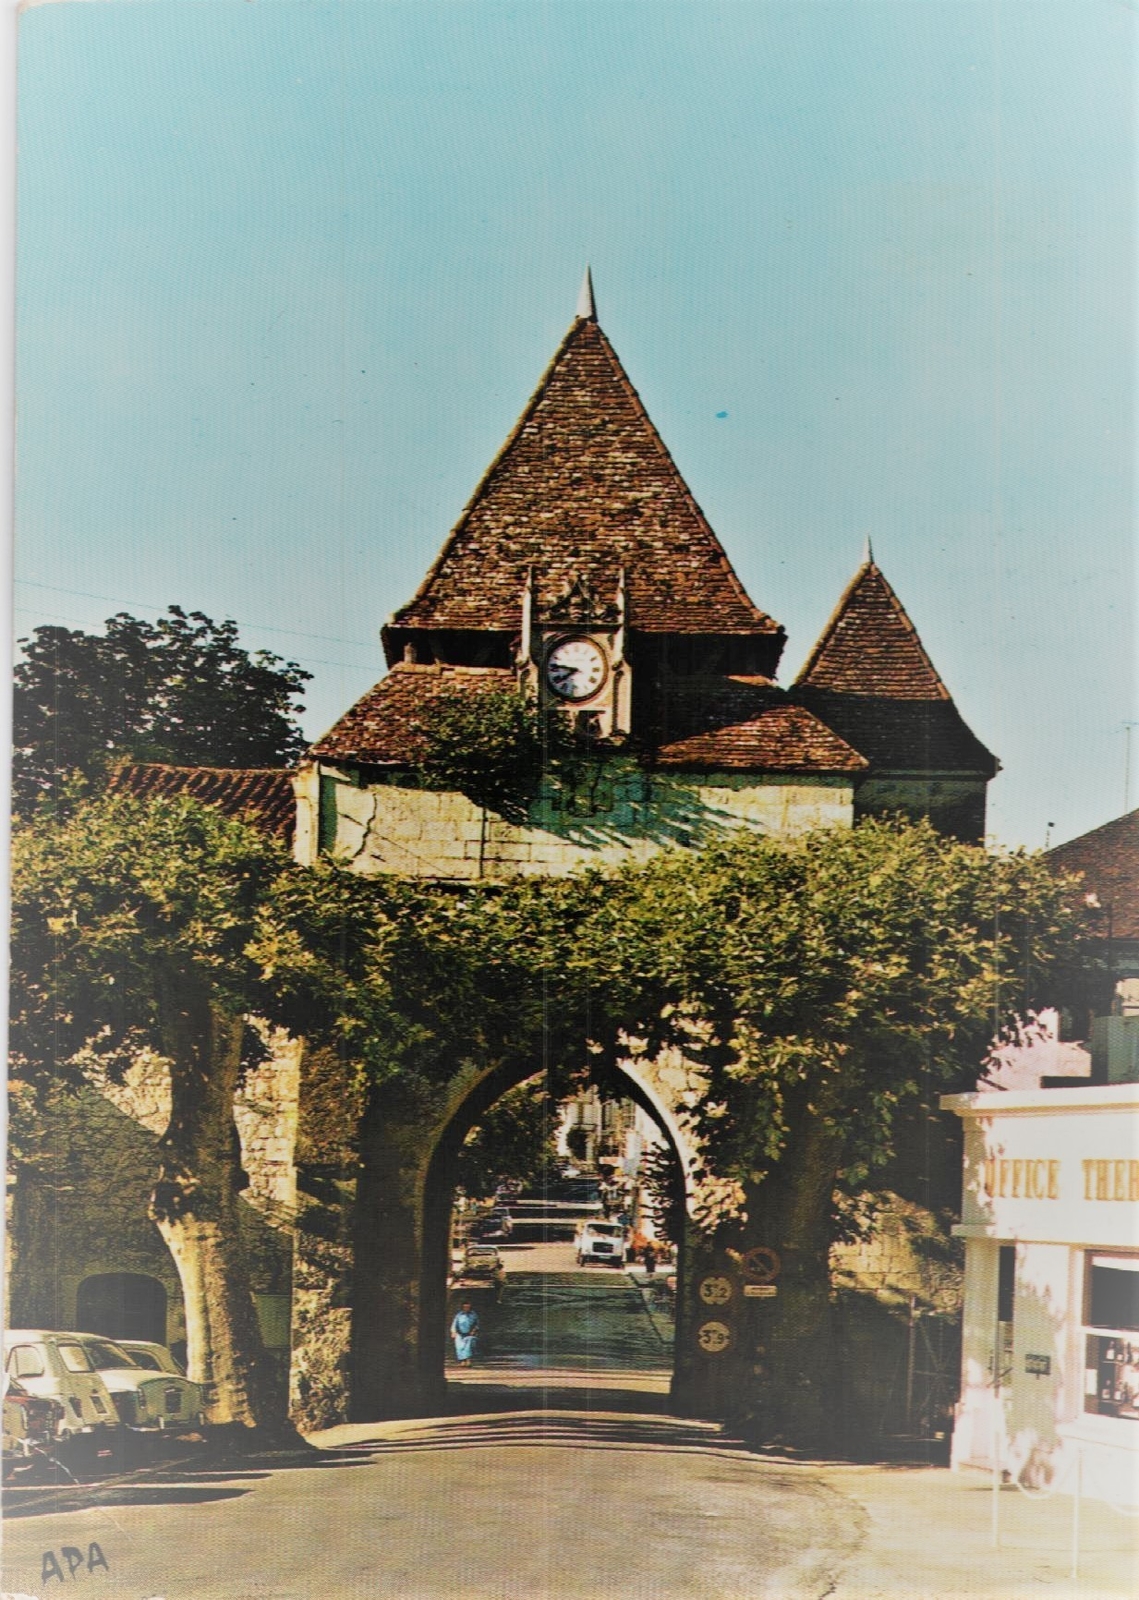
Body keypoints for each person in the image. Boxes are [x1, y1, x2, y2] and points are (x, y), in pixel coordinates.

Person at [450, 1301, 480, 1366]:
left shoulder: (473, 1314)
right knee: (459, 1346)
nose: (466, 1308)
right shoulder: (459, 1315)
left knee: (468, 1346)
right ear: (462, 1307)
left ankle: (468, 1360)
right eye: (465, 1307)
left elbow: (477, 1324)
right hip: (460, 1333)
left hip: (469, 1333)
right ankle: (462, 1361)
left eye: (468, 1307)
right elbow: (454, 1324)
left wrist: (474, 1330)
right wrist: (453, 1332)